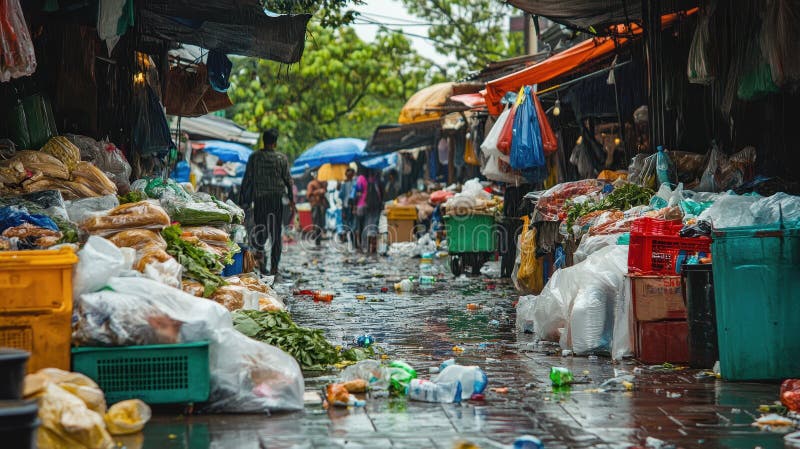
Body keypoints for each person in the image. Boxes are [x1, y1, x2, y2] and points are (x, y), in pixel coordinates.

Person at [240, 128, 294, 275]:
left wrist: (242, 200)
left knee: (260, 231)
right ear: (275, 143)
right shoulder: (281, 159)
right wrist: (292, 201)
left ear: (263, 141)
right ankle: (275, 267)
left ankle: (262, 262)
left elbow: (247, 180)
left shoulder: (254, 157)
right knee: (276, 234)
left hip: (260, 200)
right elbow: (288, 181)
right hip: (276, 200)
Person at [353, 167, 384, 254]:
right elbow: (381, 194)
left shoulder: (361, 179)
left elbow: (357, 193)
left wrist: (354, 205)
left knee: (363, 226)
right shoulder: (377, 180)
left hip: (363, 205)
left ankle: (363, 246)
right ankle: (372, 248)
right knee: (373, 225)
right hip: (374, 205)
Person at [306, 174, 329, 246]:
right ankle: (316, 239)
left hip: (321, 206)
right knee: (316, 223)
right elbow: (309, 195)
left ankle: (319, 238)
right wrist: (318, 191)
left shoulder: (322, 183)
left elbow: (325, 191)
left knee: (321, 223)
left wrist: (325, 186)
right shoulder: (312, 184)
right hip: (315, 205)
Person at [338, 167, 356, 243]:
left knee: (349, 222)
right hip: (346, 206)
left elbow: (340, 195)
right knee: (347, 222)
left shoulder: (354, 183)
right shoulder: (345, 184)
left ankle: (349, 236)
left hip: (350, 206)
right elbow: (340, 195)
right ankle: (347, 236)